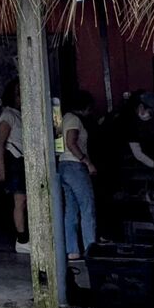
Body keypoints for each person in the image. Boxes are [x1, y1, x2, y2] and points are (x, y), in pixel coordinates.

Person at [59, 90, 98, 259]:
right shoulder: (74, 120)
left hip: (63, 166)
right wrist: (87, 162)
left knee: (71, 209)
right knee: (87, 207)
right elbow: (71, 142)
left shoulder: (64, 119)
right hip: (75, 166)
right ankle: (91, 247)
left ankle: (72, 250)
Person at [0, 79, 29, 254]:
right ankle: (22, 238)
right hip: (14, 160)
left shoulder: (21, 114)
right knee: (20, 200)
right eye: (18, 93)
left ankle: (27, 236)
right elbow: (1, 143)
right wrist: (1, 167)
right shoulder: (8, 115)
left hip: (24, 160)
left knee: (26, 200)